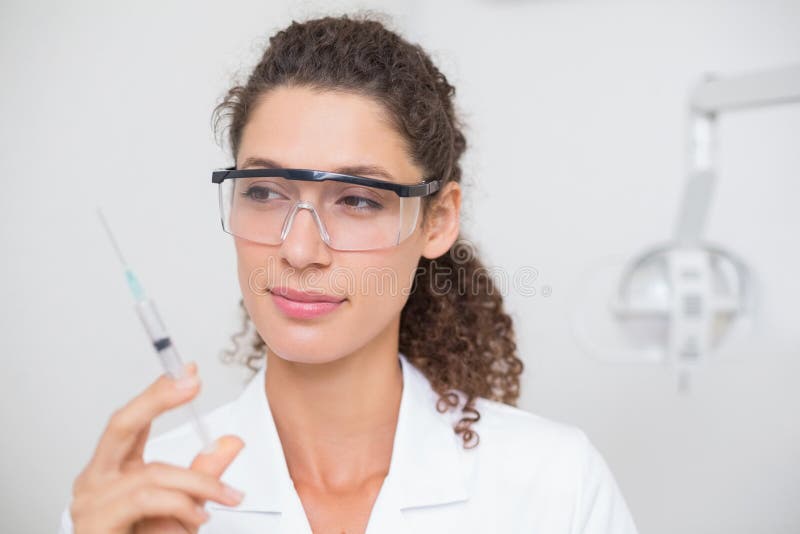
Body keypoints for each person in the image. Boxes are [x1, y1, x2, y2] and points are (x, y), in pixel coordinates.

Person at [58, 13, 639, 534]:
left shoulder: (555, 487)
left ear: (437, 221)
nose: (300, 250)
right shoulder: (133, 507)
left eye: (358, 200)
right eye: (263, 191)